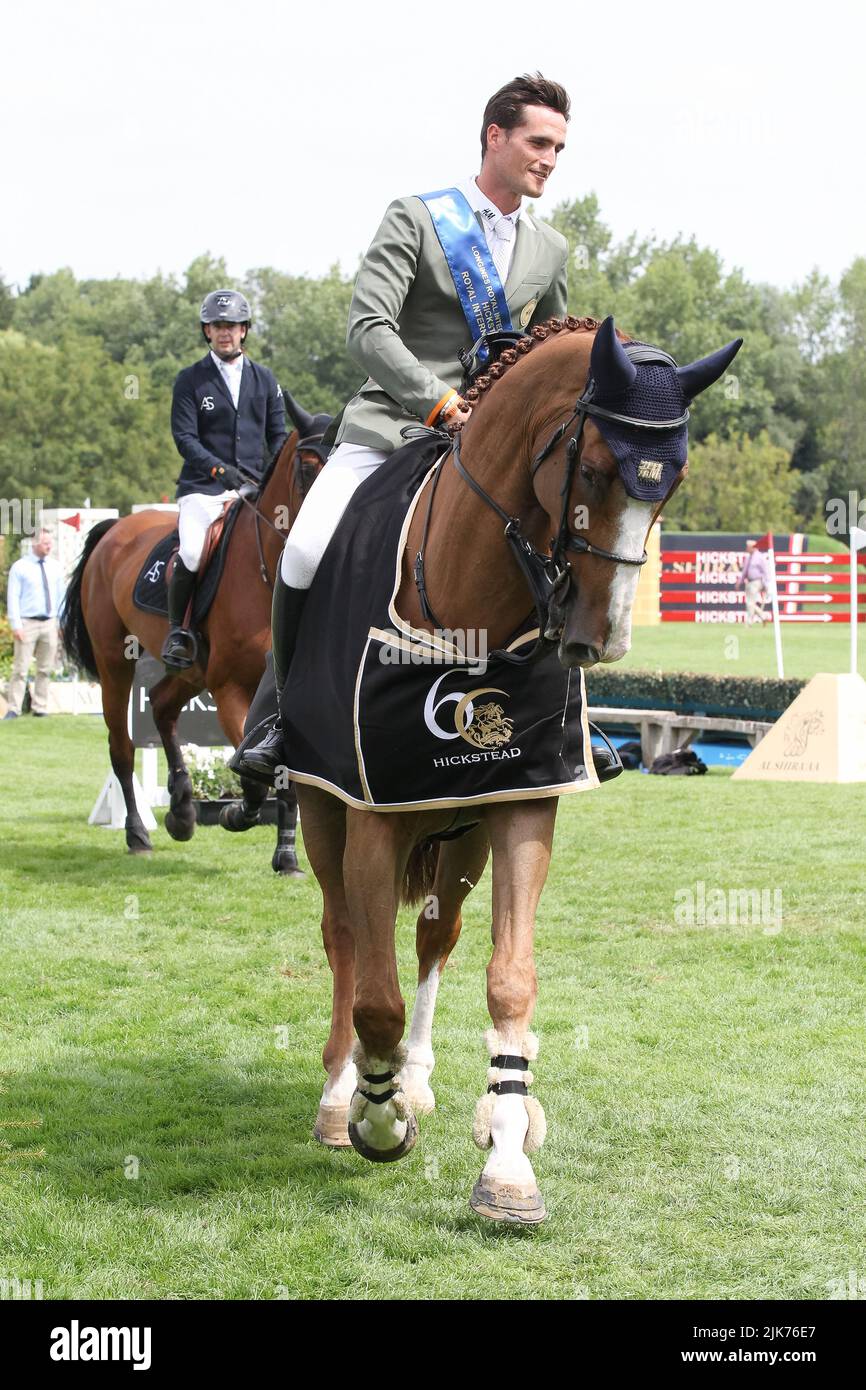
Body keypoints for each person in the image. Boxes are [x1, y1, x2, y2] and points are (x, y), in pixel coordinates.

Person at [236, 71, 572, 778]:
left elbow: (552, 354)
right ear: (495, 137)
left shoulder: (550, 249)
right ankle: (276, 719)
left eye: (558, 149)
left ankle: (567, 725)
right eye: (538, 143)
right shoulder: (416, 219)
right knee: (304, 552)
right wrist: (439, 401)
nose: (549, 159)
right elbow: (368, 328)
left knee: (567, 549)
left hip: (491, 450)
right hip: (394, 424)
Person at [162, 289, 288, 669]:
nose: (224, 332)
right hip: (204, 489)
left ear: (244, 330)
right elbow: (185, 439)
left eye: (231, 326)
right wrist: (219, 469)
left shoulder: (264, 379)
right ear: (207, 331)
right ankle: (179, 631)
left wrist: (273, 474)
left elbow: (277, 438)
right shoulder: (190, 380)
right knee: (191, 551)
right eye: (217, 326)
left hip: (252, 488)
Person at [4, 529, 64, 719]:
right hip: (27, 622)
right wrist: (16, 624)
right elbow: (13, 596)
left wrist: (61, 623)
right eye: (45, 543)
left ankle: (40, 707)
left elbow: (60, 597)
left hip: (49, 622)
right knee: (20, 669)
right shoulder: (20, 567)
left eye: (50, 542)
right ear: (35, 543)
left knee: (45, 668)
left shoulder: (55, 567)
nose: (49, 546)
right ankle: (14, 708)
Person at [737, 539, 769, 624]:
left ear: (753, 547)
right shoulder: (748, 558)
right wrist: (740, 581)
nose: (746, 549)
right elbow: (744, 571)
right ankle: (763, 616)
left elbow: (765, 571)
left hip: (757, 581)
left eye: (748, 547)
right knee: (750, 602)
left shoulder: (760, 557)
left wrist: (766, 584)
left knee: (750, 602)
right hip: (749, 582)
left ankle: (749, 621)